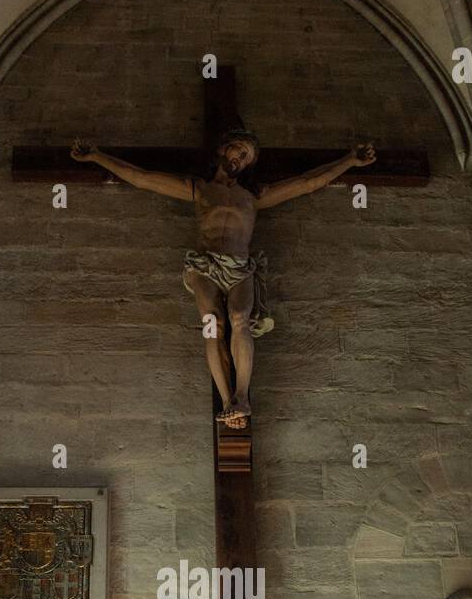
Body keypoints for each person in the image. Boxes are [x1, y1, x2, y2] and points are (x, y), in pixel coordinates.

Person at [70, 130, 376, 428]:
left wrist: (350, 160)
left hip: (240, 266)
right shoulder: (199, 189)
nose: (241, 158)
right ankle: (226, 397)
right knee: (212, 325)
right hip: (205, 265)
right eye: (238, 150)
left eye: (247, 157)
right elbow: (142, 177)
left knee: (241, 317)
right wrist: (97, 156)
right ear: (223, 149)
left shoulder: (254, 197)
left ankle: (241, 397)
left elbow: (307, 183)